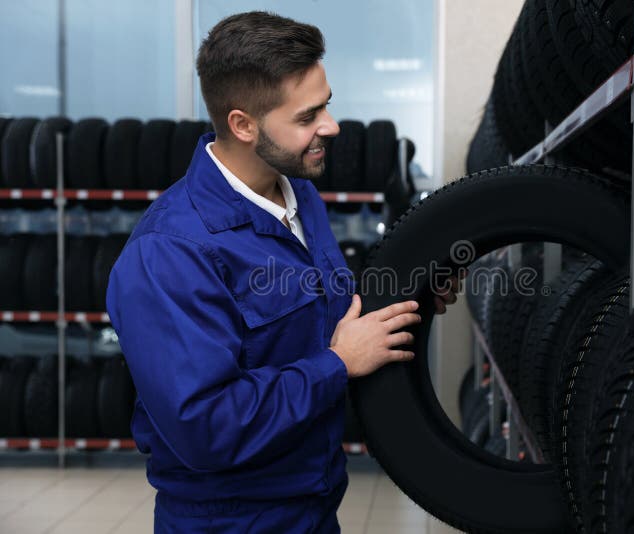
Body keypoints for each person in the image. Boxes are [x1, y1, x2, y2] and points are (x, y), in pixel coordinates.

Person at [106, 10, 458, 533]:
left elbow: (326, 317)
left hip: (313, 508)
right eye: (306, 116)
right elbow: (206, 427)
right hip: (228, 522)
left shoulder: (299, 196)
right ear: (243, 124)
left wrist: (412, 297)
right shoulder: (170, 253)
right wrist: (337, 365)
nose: (331, 127)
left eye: (327, 105)